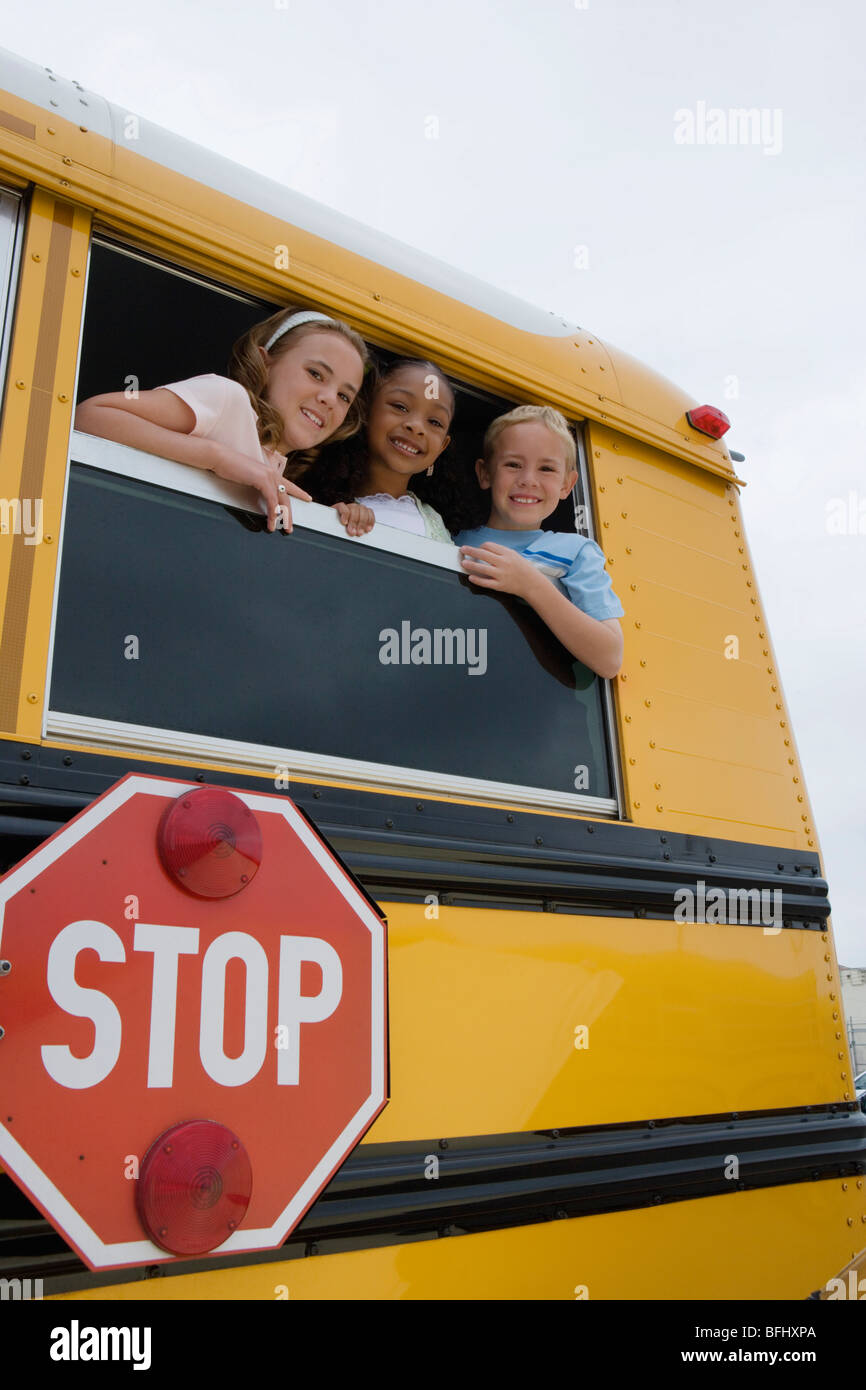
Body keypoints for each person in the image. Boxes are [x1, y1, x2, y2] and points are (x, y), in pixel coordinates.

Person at [74, 307, 369, 533]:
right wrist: (216, 457)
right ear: (266, 363)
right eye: (315, 374)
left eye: (345, 396)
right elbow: (89, 416)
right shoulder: (228, 399)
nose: (330, 399)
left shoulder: (279, 469)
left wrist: (335, 520)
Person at [454, 405, 624, 679]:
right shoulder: (454, 540)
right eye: (513, 465)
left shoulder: (576, 553)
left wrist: (530, 584)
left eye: (546, 468)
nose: (528, 480)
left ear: (567, 485)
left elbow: (610, 658)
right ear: (485, 473)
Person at [301, 359, 455, 541]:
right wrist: (333, 521)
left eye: (434, 422)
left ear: (442, 447)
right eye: (400, 407)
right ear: (366, 408)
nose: (416, 427)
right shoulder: (319, 499)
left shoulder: (434, 521)